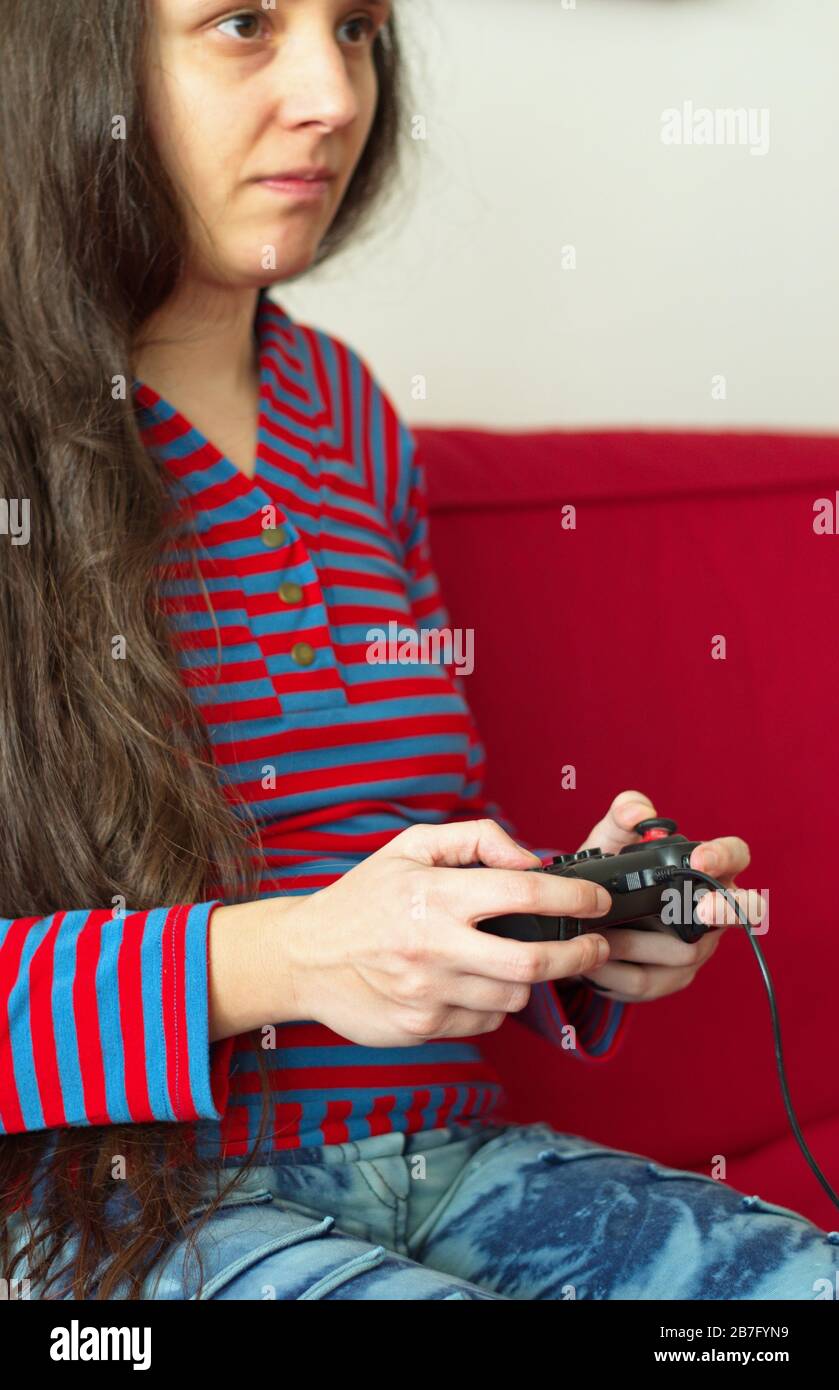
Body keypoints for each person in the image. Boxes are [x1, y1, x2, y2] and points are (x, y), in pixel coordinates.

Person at [0, 0, 836, 1302]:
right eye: (242, 25)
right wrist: (284, 956)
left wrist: (572, 918)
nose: (333, 94)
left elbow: (398, 837)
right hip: (117, 1211)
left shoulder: (346, 413)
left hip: (449, 1154)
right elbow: (320, 930)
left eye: (355, 29)